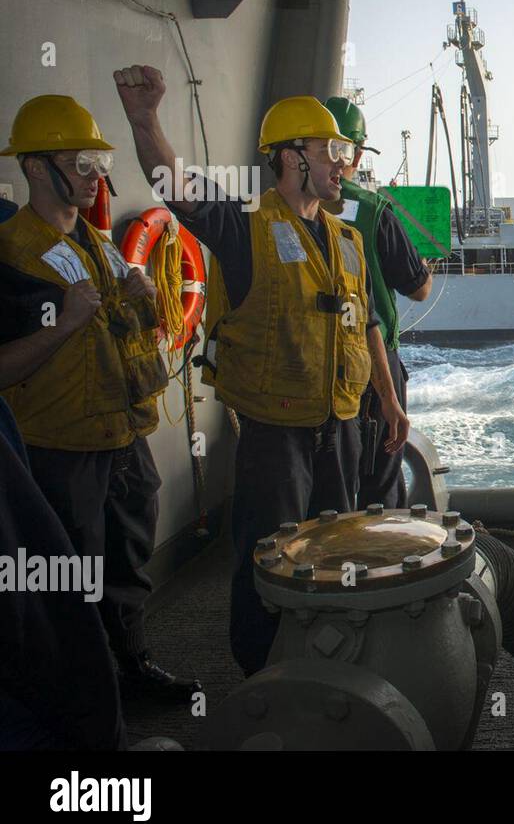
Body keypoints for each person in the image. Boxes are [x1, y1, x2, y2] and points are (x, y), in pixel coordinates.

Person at [113, 66, 409, 675]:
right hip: (277, 433)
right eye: (331, 151)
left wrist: (390, 401)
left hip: (343, 425)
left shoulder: (348, 240)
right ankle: (260, 673)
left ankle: (331, 660)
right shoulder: (247, 228)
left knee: (335, 552)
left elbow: (368, 324)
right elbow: (179, 187)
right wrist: (145, 120)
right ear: (292, 158)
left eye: (345, 152)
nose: (343, 164)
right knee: (269, 554)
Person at [0, 94, 200, 702]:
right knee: (68, 575)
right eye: (80, 162)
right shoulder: (12, 255)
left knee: (126, 561)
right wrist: (60, 323)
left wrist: (142, 295)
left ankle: (131, 669)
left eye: (97, 162)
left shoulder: (98, 242)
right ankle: (76, 696)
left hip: (122, 438)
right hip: (60, 449)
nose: (95, 176)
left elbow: (128, 329)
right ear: (36, 168)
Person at [323, 96, 432, 509]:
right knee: (381, 476)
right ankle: (383, 565)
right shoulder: (373, 211)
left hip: (308, 362)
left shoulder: (274, 210)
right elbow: (418, 289)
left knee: (328, 482)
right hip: (371, 361)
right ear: (355, 151)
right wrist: (425, 261)